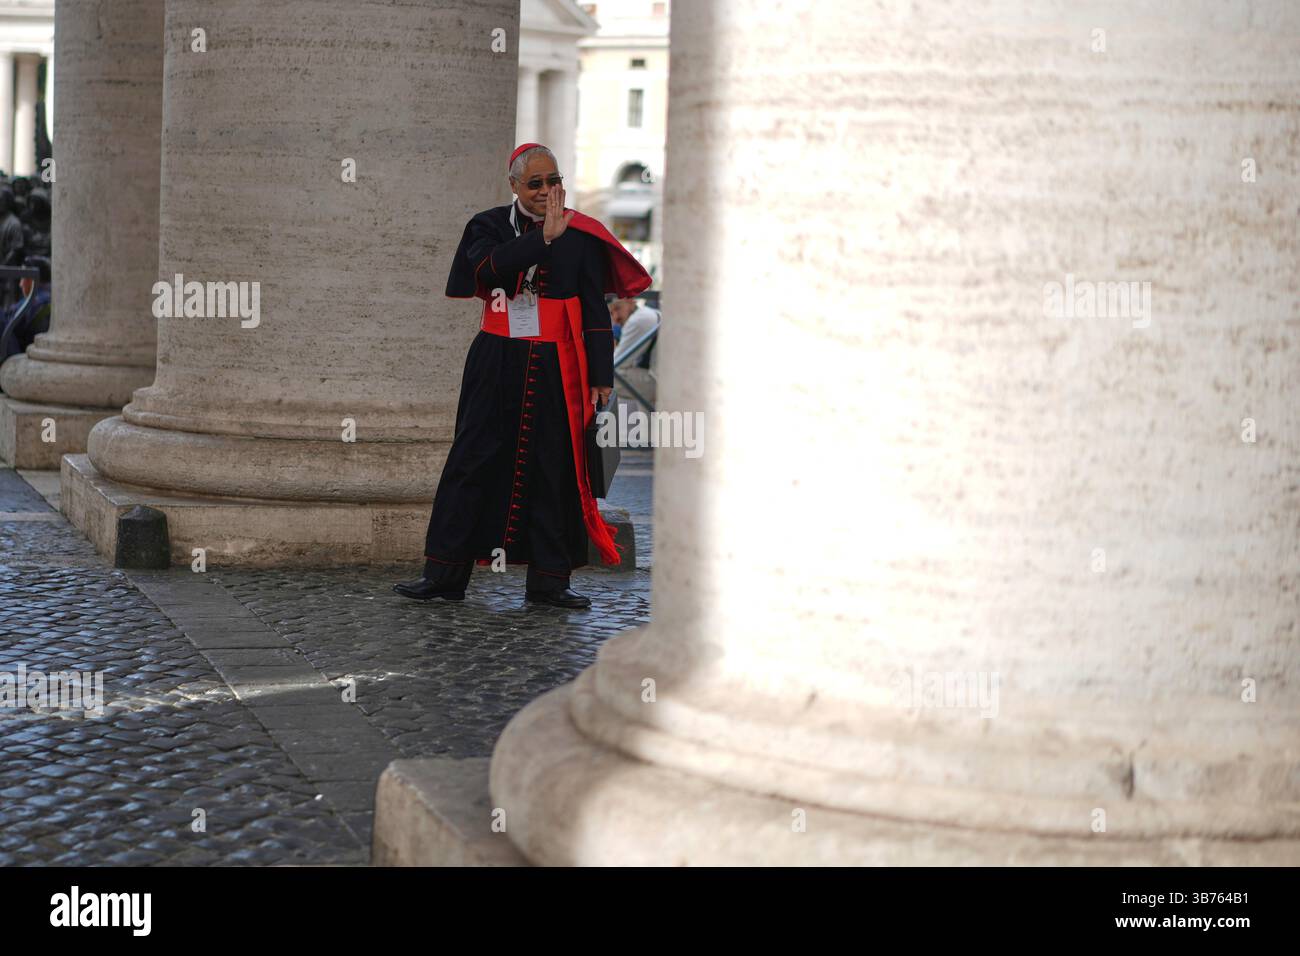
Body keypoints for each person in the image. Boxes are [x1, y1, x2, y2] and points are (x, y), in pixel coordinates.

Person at [394, 142, 651, 608]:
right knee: (472, 461)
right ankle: (444, 577)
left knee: (555, 469)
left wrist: (601, 375)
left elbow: (594, 309)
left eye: (553, 181)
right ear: (514, 186)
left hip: (559, 364)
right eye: (535, 183)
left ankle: (551, 583)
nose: (546, 190)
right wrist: (541, 239)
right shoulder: (487, 225)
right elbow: (487, 270)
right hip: (496, 359)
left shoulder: (583, 234)